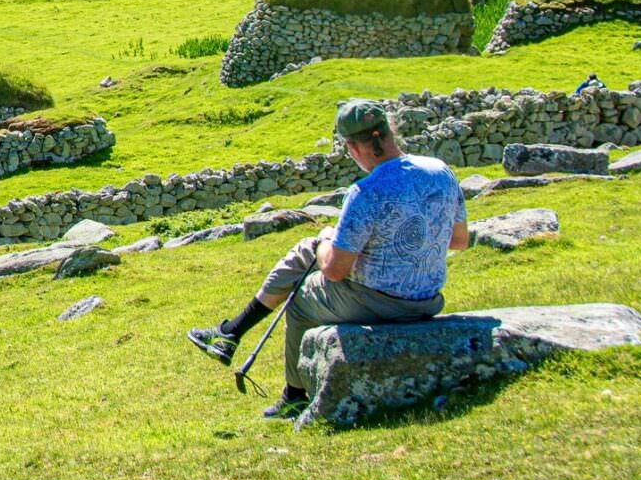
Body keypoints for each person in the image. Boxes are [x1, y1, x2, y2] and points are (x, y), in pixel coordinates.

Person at [187, 99, 468, 419]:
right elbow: (460, 241)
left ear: (353, 147)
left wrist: (325, 241)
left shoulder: (367, 192)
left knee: (303, 296)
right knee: (309, 247)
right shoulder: (440, 172)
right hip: (428, 298)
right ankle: (230, 333)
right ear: (391, 130)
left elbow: (334, 271)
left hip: (379, 301)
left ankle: (293, 393)